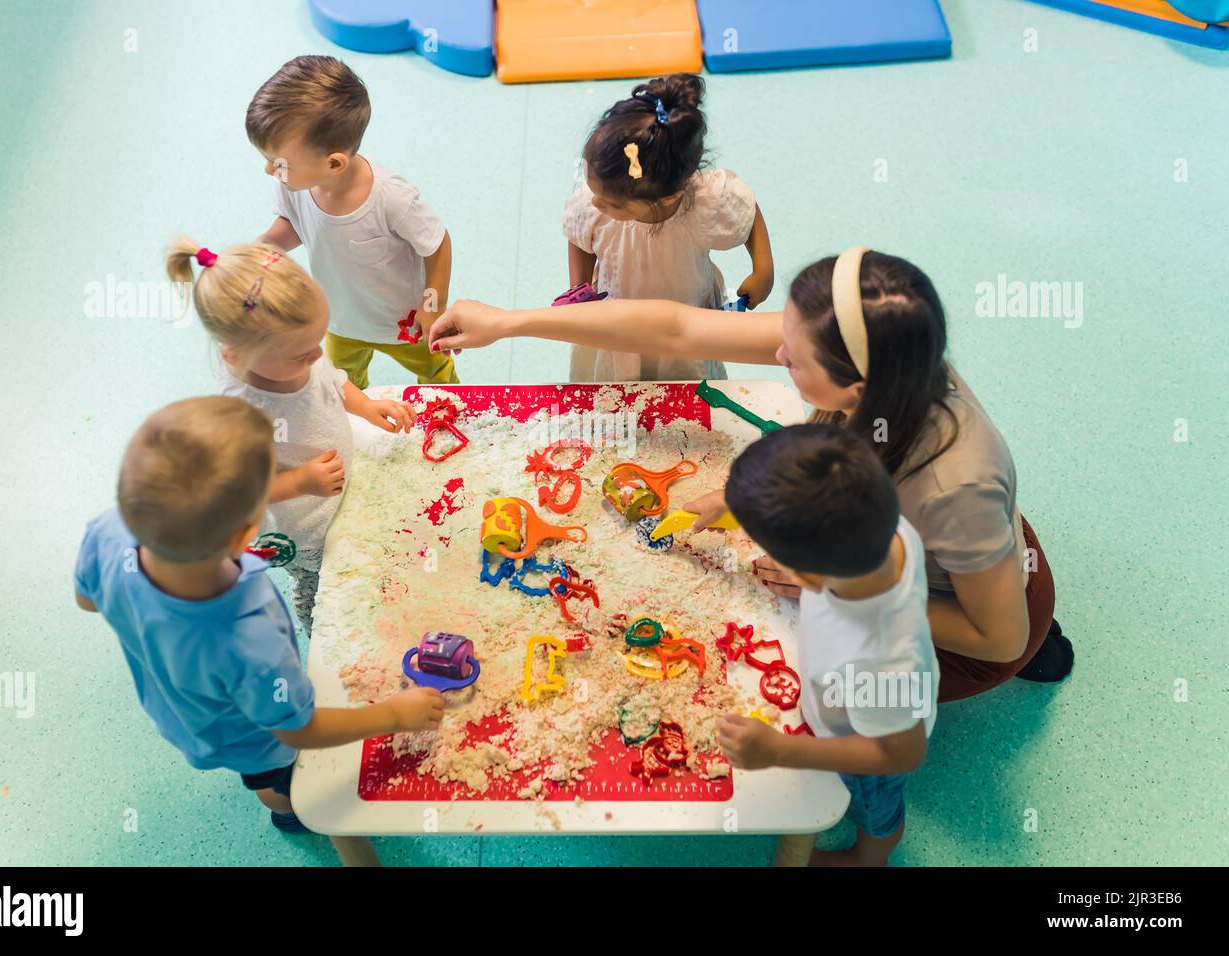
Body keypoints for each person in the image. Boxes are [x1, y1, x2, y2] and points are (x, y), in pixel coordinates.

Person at [427, 247, 1073, 699]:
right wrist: (510, 322)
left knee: (830, 678)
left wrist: (834, 586)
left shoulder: (954, 487)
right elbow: (678, 328)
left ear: (856, 387)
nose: (777, 352)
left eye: (792, 359)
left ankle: (1040, 648)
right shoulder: (886, 353)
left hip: (975, 619)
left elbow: (998, 635)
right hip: (951, 550)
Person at [74, 396, 442, 863]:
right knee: (295, 782)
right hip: (253, 736)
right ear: (247, 533)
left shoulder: (110, 531)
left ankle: (283, 808)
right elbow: (297, 729)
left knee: (263, 780)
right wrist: (393, 715)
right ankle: (309, 817)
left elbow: (87, 600)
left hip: (181, 706)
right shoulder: (248, 634)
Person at [166, 238, 416, 634]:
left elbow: (332, 380)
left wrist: (366, 406)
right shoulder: (240, 414)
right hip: (304, 525)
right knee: (319, 584)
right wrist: (300, 481)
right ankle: (314, 623)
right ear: (235, 356)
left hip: (336, 492)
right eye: (301, 354)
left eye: (317, 341)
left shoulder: (298, 348)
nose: (316, 355)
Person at [716, 423, 938, 866]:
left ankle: (867, 858)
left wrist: (780, 750)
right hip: (855, 697)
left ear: (807, 576)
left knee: (876, 811)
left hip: (866, 740)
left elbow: (902, 752)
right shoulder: (883, 528)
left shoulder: (879, 656)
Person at [248, 55, 458, 388]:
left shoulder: (391, 197)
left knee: (437, 376)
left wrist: (433, 305)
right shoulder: (293, 184)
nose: (269, 170)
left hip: (405, 325)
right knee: (344, 386)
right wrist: (263, 247)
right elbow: (296, 224)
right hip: (341, 322)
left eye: (279, 163)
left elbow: (437, 243)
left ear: (334, 164)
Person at [562, 73, 773, 382]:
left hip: (687, 317)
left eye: (615, 205)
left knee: (685, 380)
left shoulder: (705, 202)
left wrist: (763, 270)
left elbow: (747, 210)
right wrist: (579, 287)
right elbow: (581, 234)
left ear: (670, 196)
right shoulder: (600, 200)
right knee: (615, 385)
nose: (595, 204)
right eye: (594, 192)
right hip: (616, 315)